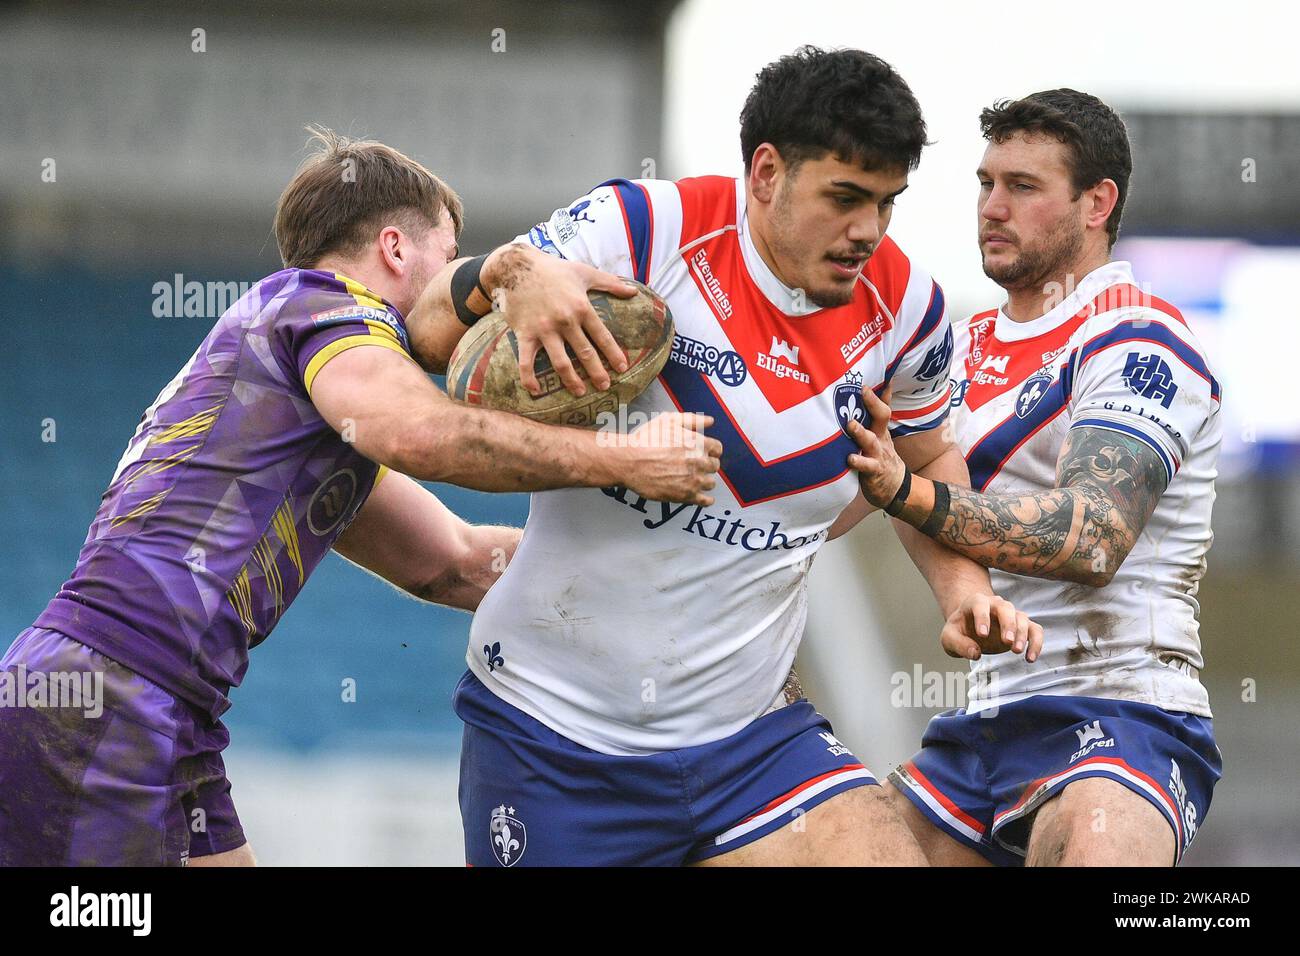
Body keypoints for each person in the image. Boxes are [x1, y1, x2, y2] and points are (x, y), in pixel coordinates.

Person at [0, 128, 720, 867]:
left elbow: (455, 563)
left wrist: (673, 571)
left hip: (154, 704)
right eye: (447, 257)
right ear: (395, 249)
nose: (461, 300)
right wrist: (619, 457)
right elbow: (421, 431)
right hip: (108, 695)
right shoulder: (316, 303)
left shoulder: (306, 412)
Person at [409, 46, 1042, 867]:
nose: (868, 232)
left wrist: (962, 590)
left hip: (750, 747)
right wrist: (502, 274)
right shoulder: (642, 229)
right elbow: (427, 332)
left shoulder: (908, 311)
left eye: (887, 203)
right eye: (845, 198)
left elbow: (927, 458)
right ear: (768, 172)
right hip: (551, 739)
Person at [844, 90, 1222, 866]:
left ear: (1097, 203)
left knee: (1096, 848)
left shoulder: (1137, 333)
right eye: (985, 184)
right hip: (982, 726)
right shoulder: (953, 343)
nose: (992, 207)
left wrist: (908, 493)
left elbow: (1091, 537)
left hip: (1125, 715)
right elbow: (872, 491)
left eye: (1023, 187)